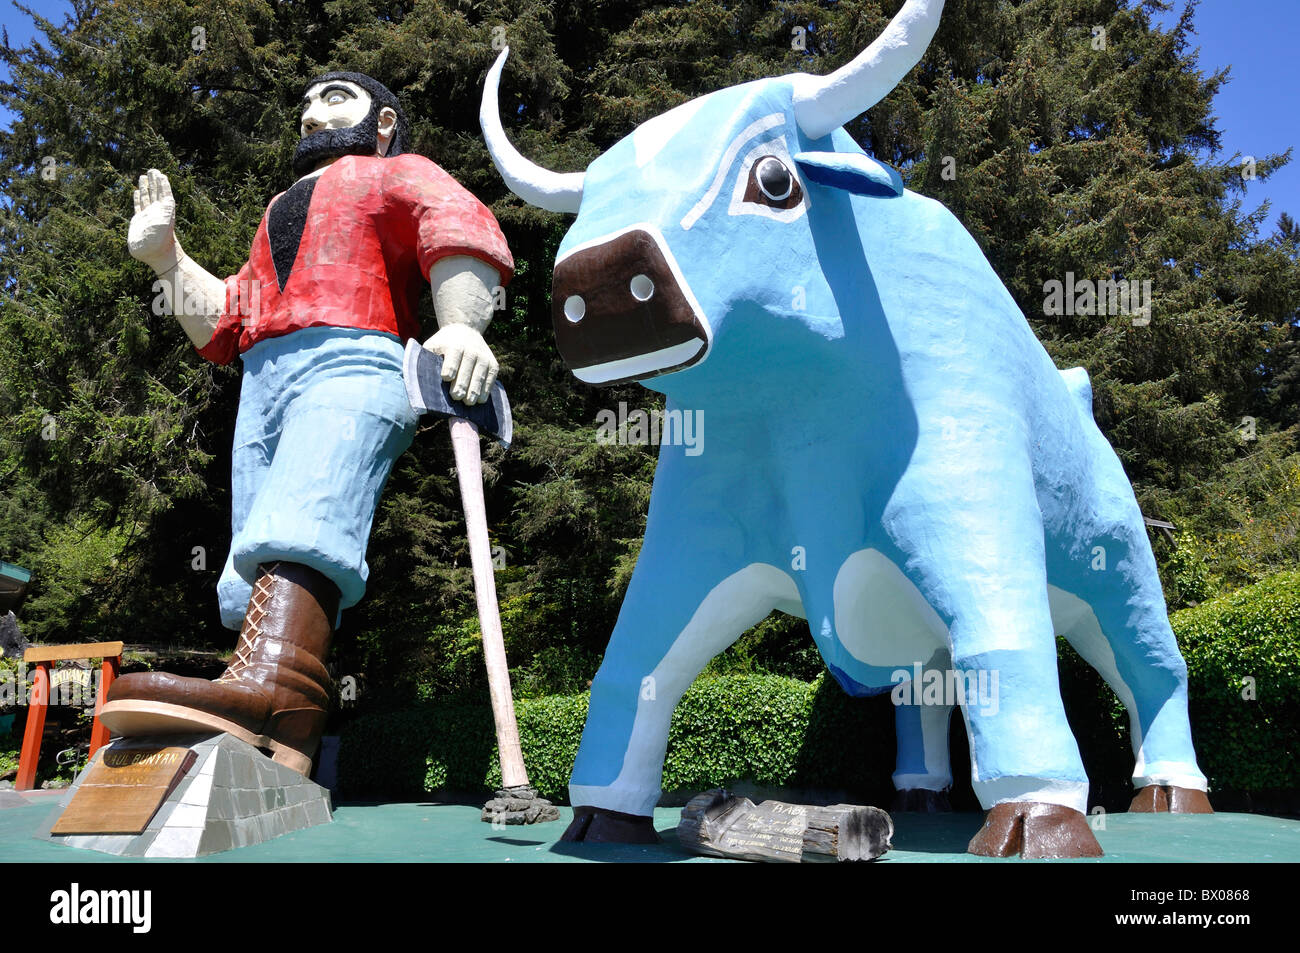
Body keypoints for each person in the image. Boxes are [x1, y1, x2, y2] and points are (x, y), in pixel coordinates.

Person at [101, 72, 514, 776]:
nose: (310, 112)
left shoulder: (395, 172)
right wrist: (167, 258)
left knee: (309, 507)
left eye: (334, 97)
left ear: (384, 122)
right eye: (306, 102)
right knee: (252, 548)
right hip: (262, 379)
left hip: (355, 356)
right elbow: (226, 322)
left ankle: (269, 690)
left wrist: (462, 326)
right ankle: (285, 727)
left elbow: (454, 223)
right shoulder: (277, 211)